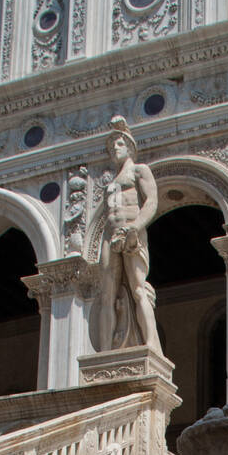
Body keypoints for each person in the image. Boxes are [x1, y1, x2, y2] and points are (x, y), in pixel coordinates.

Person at [95, 116, 162, 354]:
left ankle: (152, 343)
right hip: (110, 235)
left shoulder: (139, 171)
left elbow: (152, 201)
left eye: (119, 144)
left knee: (138, 289)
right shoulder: (110, 182)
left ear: (130, 147)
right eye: (111, 145)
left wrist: (136, 226)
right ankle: (105, 351)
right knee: (107, 295)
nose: (114, 148)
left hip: (132, 231)